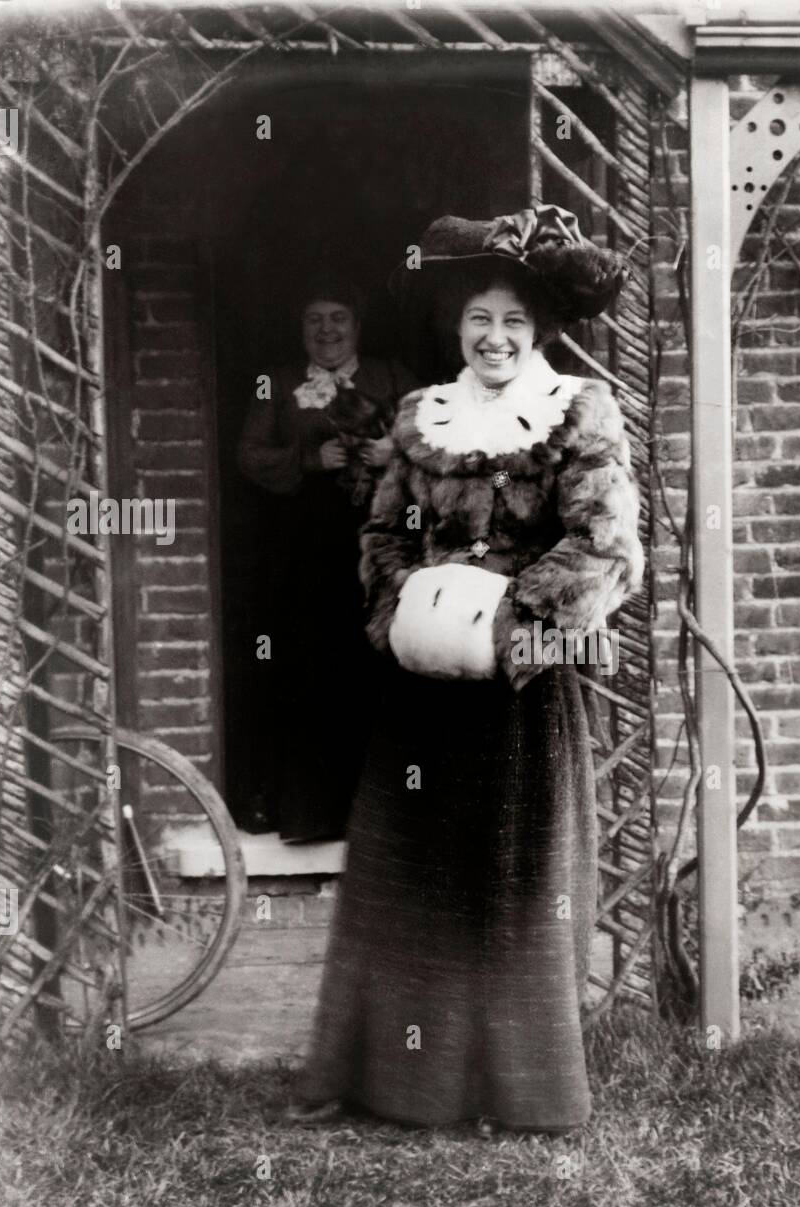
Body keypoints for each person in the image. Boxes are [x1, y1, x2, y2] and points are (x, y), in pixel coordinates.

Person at [292, 206, 642, 1133]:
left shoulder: (580, 414)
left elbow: (605, 546)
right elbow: (382, 532)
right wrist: (406, 608)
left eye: (515, 323)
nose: (495, 338)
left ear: (543, 332)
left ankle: (508, 1090)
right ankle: (395, 1082)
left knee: (508, 881)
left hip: (520, 685)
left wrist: (510, 621)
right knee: (410, 874)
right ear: (457, 326)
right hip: (423, 683)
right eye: (480, 320)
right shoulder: (420, 419)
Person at [237, 284, 416, 842]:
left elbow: (443, 433)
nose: (327, 330)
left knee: (376, 665)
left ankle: (381, 818)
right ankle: (312, 813)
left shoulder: (394, 375)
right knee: (308, 668)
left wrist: (396, 451)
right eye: (314, 319)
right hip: (307, 552)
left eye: (338, 317)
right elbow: (248, 454)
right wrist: (310, 457)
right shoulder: (276, 379)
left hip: (381, 546)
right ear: (300, 328)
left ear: (358, 324)